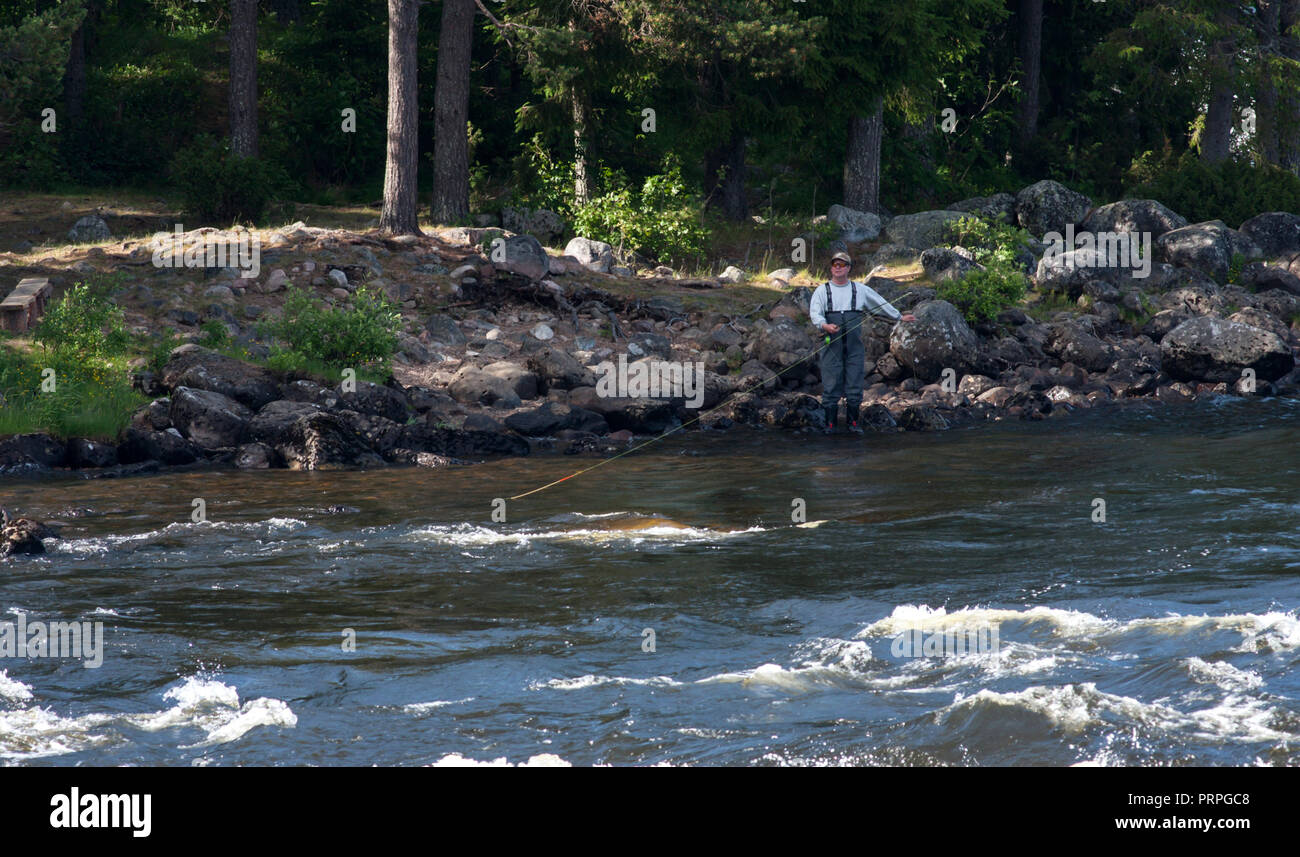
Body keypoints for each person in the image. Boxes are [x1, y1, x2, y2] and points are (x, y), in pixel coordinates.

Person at [809, 251, 916, 434]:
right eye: (835, 264)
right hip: (830, 345)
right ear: (831, 268)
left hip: (854, 348)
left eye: (842, 265)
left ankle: (853, 424)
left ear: (848, 268)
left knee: (854, 385)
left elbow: (880, 303)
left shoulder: (860, 290)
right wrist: (824, 325)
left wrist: (899, 316)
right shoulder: (822, 290)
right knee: (831, 384)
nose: (838, 268)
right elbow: (815, 313)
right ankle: (830, 425)